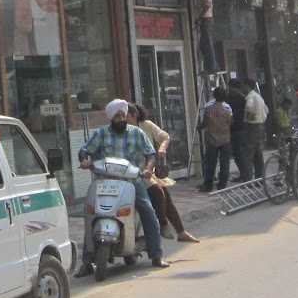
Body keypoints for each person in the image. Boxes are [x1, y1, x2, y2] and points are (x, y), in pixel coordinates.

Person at [74, 99, 168, 273]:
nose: (120, 118)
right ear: (111, 117)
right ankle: (86, 263)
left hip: (132, 183)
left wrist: (148, 170)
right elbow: (84, 149)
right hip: (104, 183)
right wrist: (84, 161)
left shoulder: (137, 133)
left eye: (122, 115)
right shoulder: (100, 134)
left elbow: (150, 154)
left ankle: (157, 255)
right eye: (117, 116)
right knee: (90, 214)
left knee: (148, 211)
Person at [132, 103, 199, 244]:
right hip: (130, 173)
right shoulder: (119, 131)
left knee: (165, 195)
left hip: (147, 170)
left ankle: (179, 231)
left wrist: (162, 149)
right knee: (159, 191)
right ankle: (164, 225)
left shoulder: (145, 126)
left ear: (134, 115)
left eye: (125, 115)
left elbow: (164, 137)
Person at [197, 85, 234, 191]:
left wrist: (199, 128)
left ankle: (208, 184)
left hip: (212, 139)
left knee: (210, 163)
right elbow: (231, 123)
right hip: (225, 139)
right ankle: (222, 184)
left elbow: (205, 123)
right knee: (224, 162)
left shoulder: (208, 110)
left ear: (214, 96)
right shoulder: (227, 110)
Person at [240, 80, 269, 180]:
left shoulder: (250, 97)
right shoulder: (258, 96)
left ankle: (248, 179)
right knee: (258, 154)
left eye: (243, 86)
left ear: (247, 86)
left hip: (251, 127)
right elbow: (266, 110)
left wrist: (249, 118)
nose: (242, 89)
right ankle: (260, 178)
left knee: (248, 154)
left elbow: (249, 107)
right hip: (260, 126)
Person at [224, 78, 248, 182]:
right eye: (231, 87)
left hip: (239, 128)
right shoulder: (228, 97)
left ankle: (245, 174)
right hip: (230, 128)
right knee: (235, 153)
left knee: (239, 152)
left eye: (233, 87)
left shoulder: (241, 99)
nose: (232, 89)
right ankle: (243, 173)